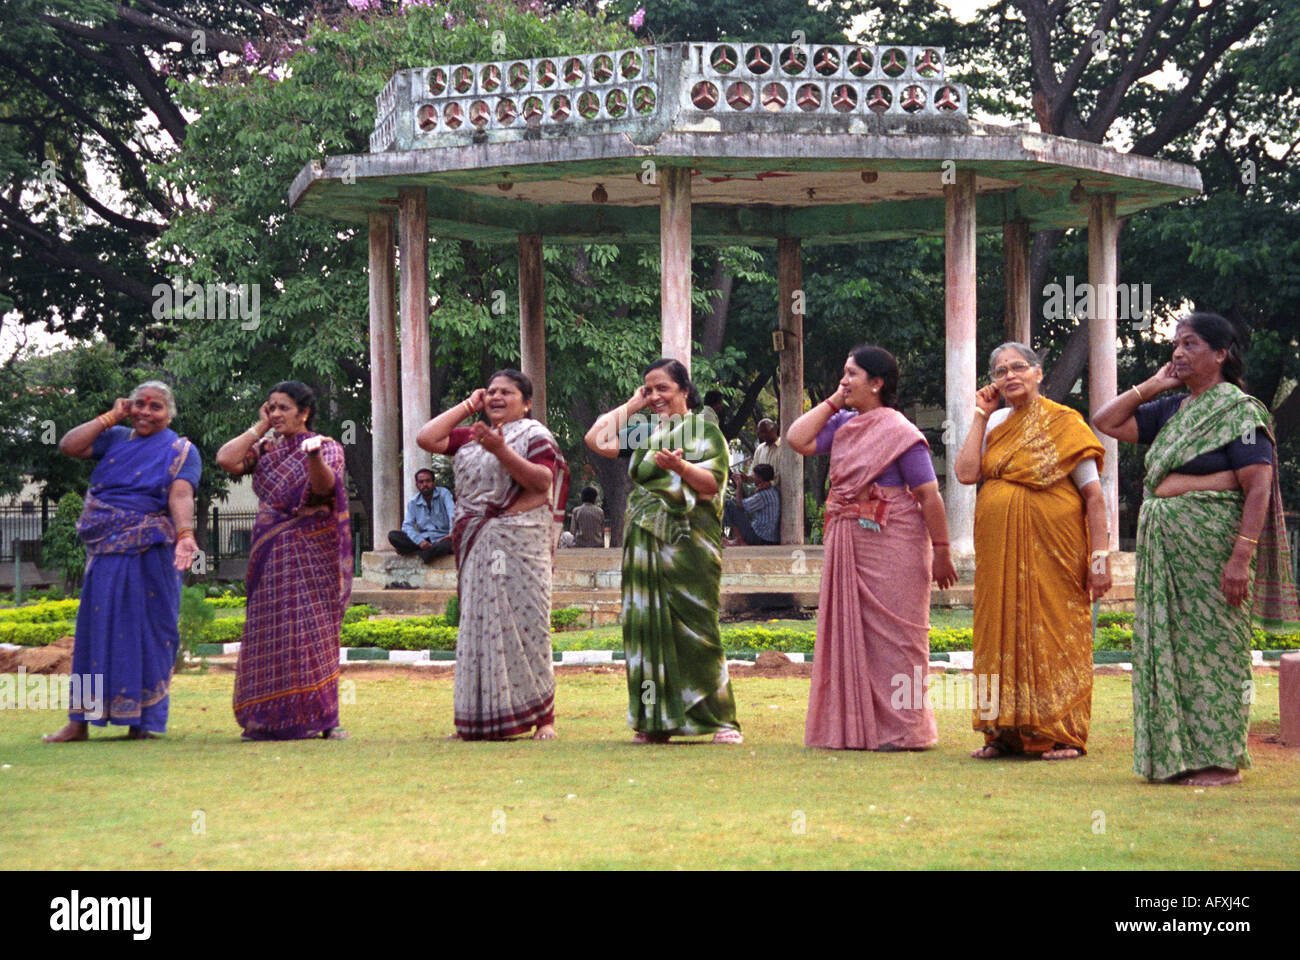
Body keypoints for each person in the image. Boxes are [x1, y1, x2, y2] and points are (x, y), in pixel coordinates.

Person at [1093, 313, 1298, 786]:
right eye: (1175, 345)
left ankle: (1222, 761)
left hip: (1216, 556)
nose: (1179, 353)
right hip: (1166, 558)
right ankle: (1176, 757)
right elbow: (1106, 421)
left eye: (1191, 344)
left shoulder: (1241, 413)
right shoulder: (1172, 410)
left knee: (1215, 653)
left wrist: (1240, 558)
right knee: (1170, 649)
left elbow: (1258, 487)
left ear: (1221, 353)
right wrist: (1152, 383)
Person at [788, 345, 958, 750]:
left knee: (899, 639)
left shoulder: (900, 431)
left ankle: (907, 731)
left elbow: (928, 494)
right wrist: (833, 400)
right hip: (849, 541)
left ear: (877, 383)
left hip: (896, 544)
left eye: (852, 374)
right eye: (843, 373)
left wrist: (943, 550)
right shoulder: (844, 423)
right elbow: (797, 439)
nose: (845, 380)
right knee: (853, 634)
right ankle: (857, 728)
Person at [952, 343, 1111, 761]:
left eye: (1019, 367)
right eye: (1000, 371)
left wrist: (1100, 559)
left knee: (1055, 632)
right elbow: (967, 473)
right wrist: (981, 414)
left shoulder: (1065, 423)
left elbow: (1094, 498)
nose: (1010, 376)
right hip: (999, 554)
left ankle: (1061, 735)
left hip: (1054, 554)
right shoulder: (995, 423)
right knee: (998, 629)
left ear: (1039, 373)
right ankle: (1002, 733)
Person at [586, 358, 742, 744]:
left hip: (688, 542)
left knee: (696, 626)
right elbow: (596, 440)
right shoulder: (643, 433)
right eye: (648, 388)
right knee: (646, 628)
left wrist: (681, 467)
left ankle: (719, 721)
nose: (655, 395)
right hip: (643, 541)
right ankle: (655, 721)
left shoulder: (705, 432)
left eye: (663, 388)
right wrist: (634, 404)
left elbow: (710, 485)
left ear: (685, 390)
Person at [42, 382, 200, 742]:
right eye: (139, 404)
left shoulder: (181, 450)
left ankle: (141, 721)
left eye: (155, 407)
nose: (146, 412)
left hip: (149, 552)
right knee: (93, 634)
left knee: (148, 631)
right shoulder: (114, 437)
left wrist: (186, 533)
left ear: (169, 413)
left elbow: (180, 493)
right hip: (105, 551)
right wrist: (112, 415)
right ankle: (79, 721)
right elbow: (69, 446)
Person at [417, 369, 568, 741]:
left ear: (527, 402)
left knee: (526, 625)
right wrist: (469, 405)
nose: (497, 397)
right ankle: (479, 719)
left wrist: (500, 450)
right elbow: (426, 437)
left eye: (507, 393)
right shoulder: (472, 436)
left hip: (519, 541)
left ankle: (542, 717)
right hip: (476, 540)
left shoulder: (535, 435)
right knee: (478, 624)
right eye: (492, 392)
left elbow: (542, 482)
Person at [216, 381, 352, 741]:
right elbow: (227, 460)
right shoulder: (263, 449)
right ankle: (265, 718)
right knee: (270, 630)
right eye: (271, 407)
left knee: (311, 629)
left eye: (284, 408)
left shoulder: (327, 448)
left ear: (304, 412)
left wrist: (312, 457)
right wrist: (259, 427)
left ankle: (322, 718)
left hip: (312, 549)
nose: (276, 414)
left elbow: (324, 488)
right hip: (270, 552)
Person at [388, 468, 455, 561]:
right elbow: (407, 526)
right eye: (421, 482)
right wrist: (420, 542)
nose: (425, 485)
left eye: (428, 481)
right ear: (417, 485)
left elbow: (453, 514)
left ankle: (420, 552)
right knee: (393, 536)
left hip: (443, 538)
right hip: (424, 540)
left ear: (433, 483)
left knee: (449, 543)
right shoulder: (413, 502)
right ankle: (427, 551)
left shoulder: (444, 494)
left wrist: (452, 533)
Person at [722, 463, 780, 545]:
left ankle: (741, 541)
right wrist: (746, 480)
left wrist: (739, 484)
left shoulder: (762, 495)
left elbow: (740, 505)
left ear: (760, 478)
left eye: (755, 476)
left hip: (760, 537)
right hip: (770, 537)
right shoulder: (773, 490)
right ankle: (739, 540)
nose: (753, 477)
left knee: (727, 504)